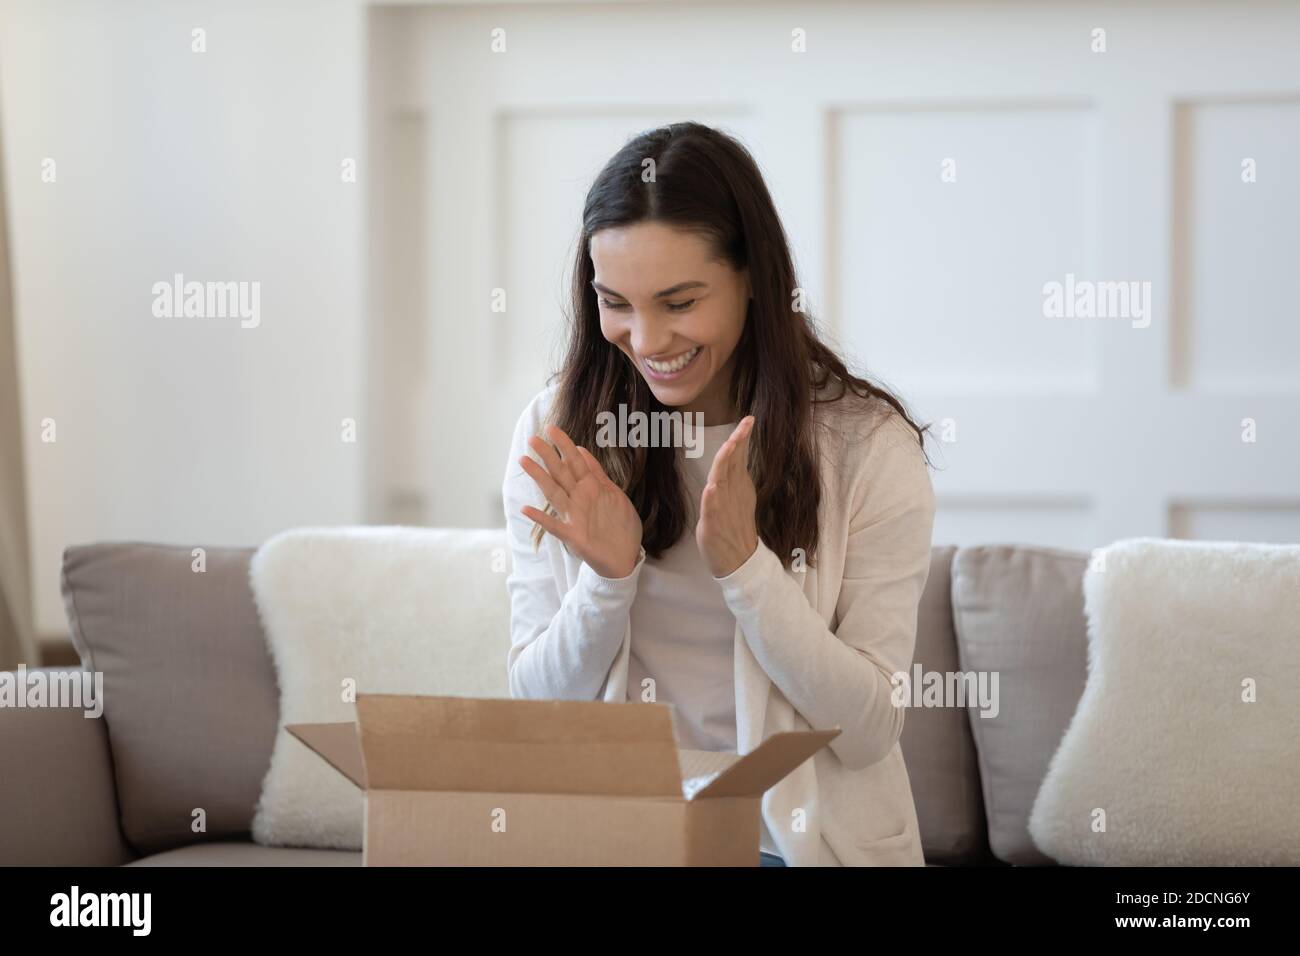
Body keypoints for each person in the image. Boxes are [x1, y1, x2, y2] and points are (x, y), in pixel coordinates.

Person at [502, 122, 936, 866]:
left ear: (753, 278)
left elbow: (868, 729)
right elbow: (538, 710)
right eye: (616, 303)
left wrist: (748, 573)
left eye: (679, 302)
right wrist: (607, 584)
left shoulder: (866, 446)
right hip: (617, 840)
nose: (644, 340)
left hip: (795, 848)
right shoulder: (560, 432)